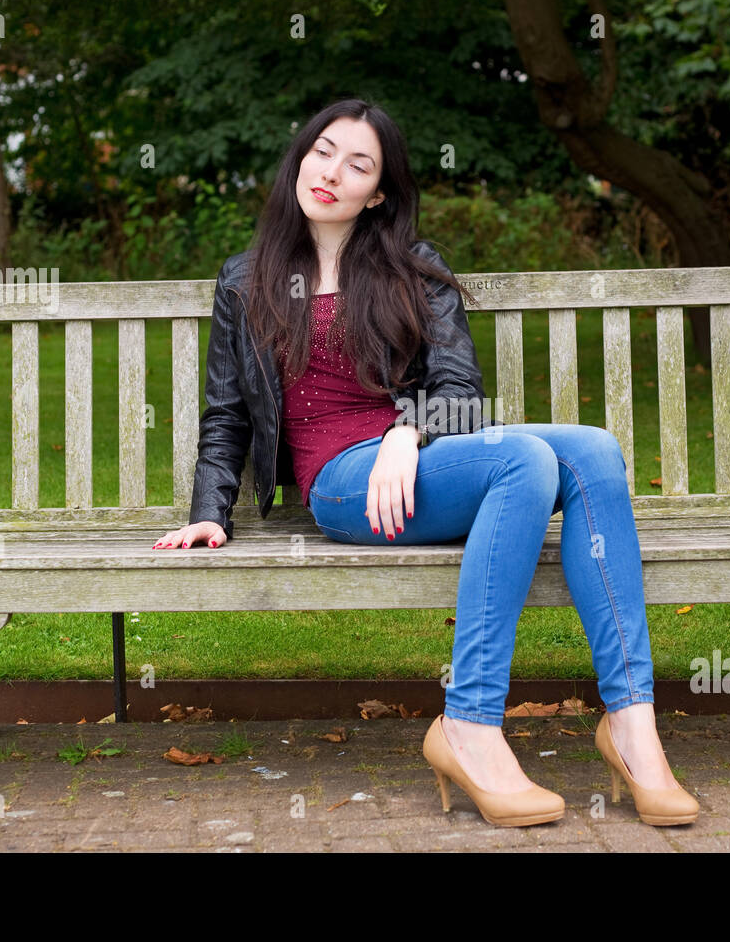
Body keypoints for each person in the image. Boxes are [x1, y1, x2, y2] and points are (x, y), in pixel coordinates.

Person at [153, 98, 699, 828]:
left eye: (359, 164)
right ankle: (470, 727)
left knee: (594, 449)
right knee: (527, 464)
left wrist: (405, 435)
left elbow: (459, 393)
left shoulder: (412, 268)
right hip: (341, 486)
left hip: (410, 460)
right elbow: (226, 415)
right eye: (323, 151)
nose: (332, 172)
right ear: (300, 159)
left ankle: (633, 727)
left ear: (377, 192)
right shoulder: (242, 279)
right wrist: (206, 514)